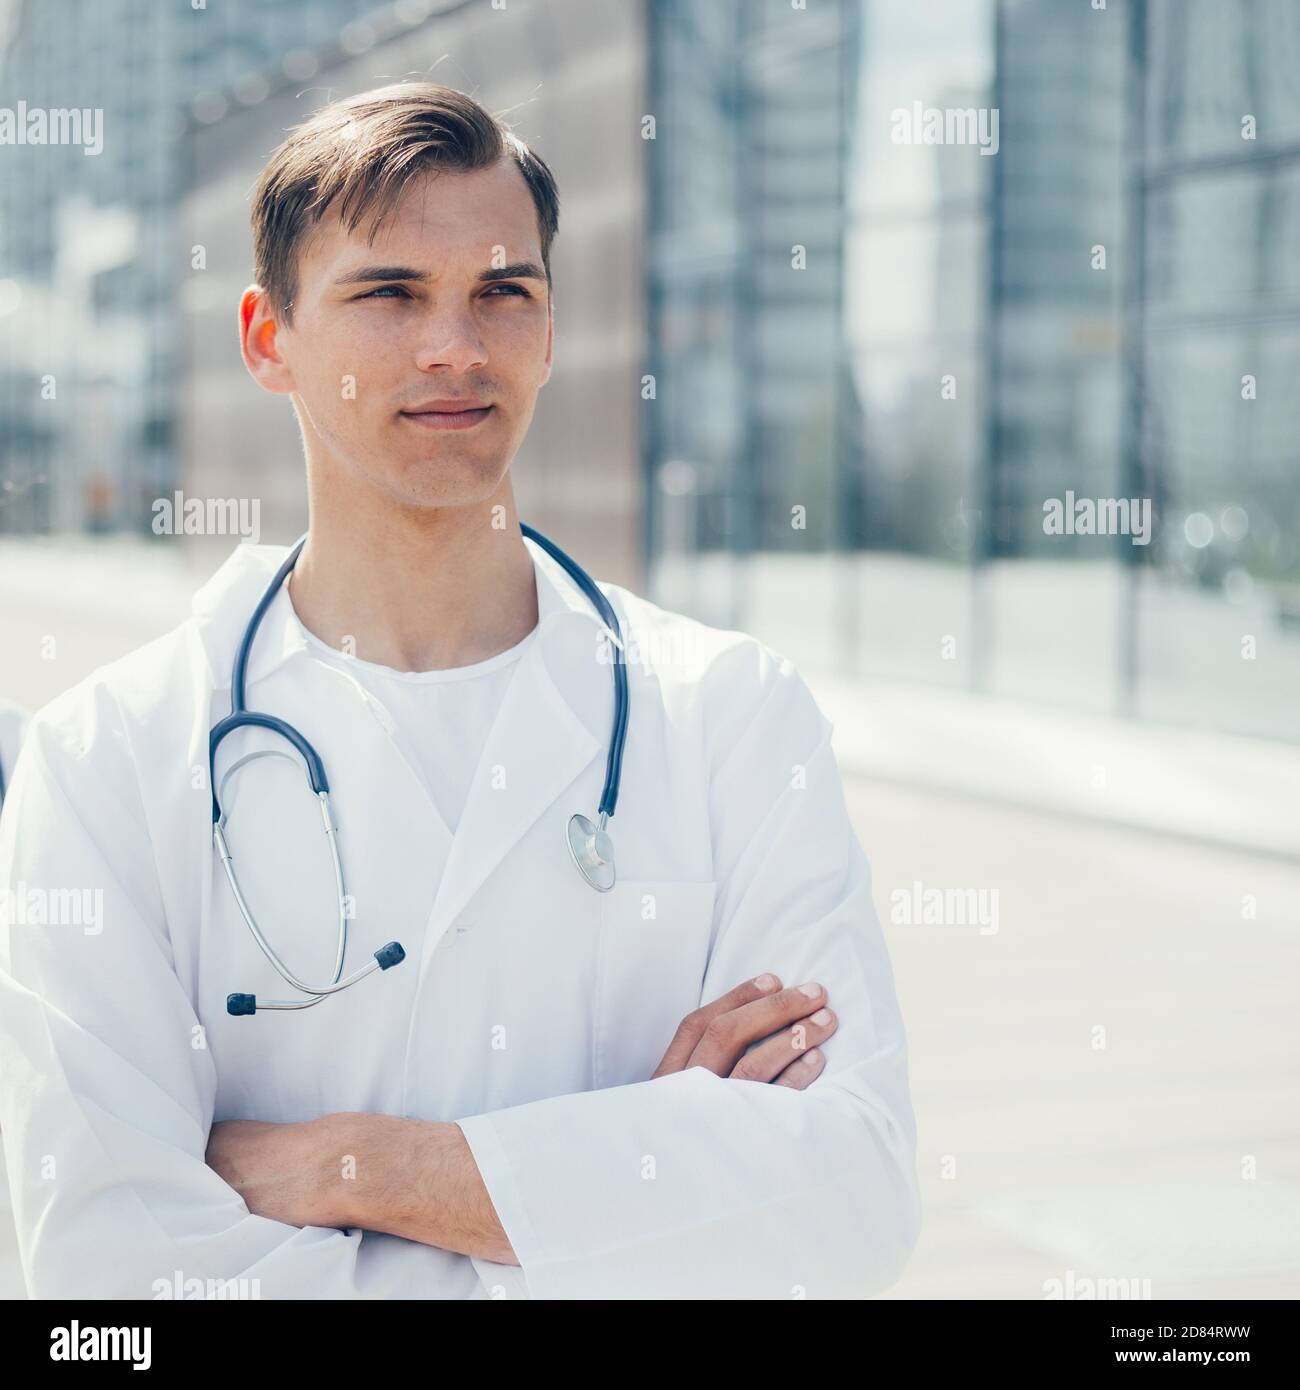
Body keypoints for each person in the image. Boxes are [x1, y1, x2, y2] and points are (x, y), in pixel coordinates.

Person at [0, 83, 919, 1300]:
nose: (456, 347)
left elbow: (849, 1200)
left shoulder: (733, 715)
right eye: (389, 294)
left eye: (503, 291)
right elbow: (108, 1286)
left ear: (548, 331)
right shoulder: (106, 758)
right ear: (268, 340)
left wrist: (359, 1164)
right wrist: (633, 1191)